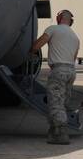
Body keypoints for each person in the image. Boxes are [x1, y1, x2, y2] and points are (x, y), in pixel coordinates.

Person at [30, 9, 80, 144]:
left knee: (55, 103)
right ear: (71, 21)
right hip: (71, 71)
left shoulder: (53, 29)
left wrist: (31, 51)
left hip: (59, 70)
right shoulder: (75, 37)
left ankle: (61, 135)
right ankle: (54, 132)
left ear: (59, 19)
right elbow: (73, 57)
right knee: (63, 102)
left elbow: (38, 44)